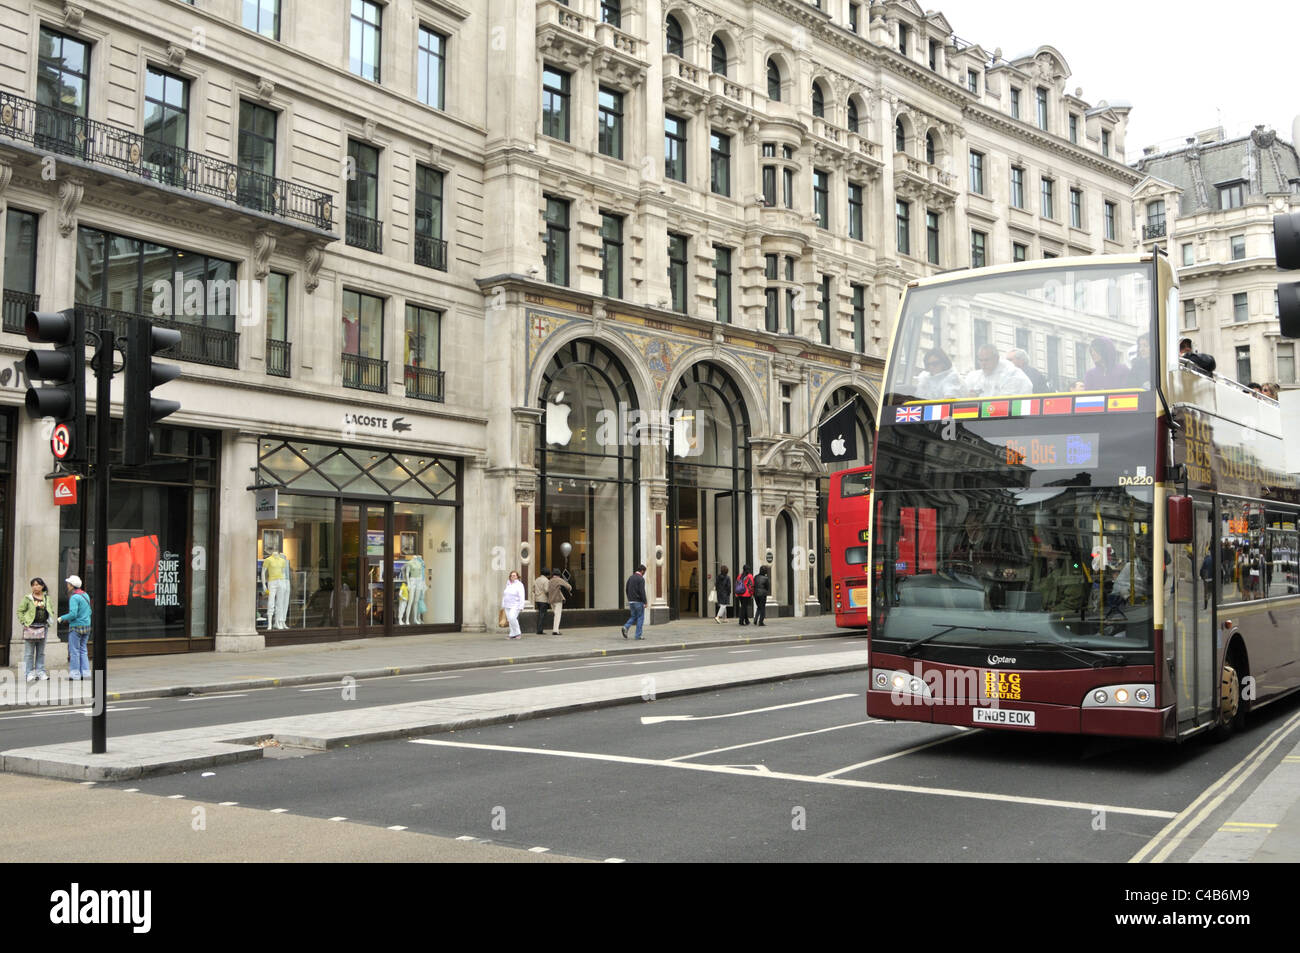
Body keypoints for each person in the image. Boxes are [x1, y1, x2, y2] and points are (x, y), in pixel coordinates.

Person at [964, 345, 1032, 397]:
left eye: (986, 360)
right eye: (981, 360)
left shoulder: (1011, 373)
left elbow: (1006, 401)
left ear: (996, 358)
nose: (983, 364)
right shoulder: (974, 376)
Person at [58, 574, 91, 681]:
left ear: (72, 586)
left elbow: (73, 614)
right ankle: (85, 673)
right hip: (86, 625)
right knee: (83, 650)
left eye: (68, 584)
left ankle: (75, 674)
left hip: (76, 627)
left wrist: (62, 618)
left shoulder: (74, 597)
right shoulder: (85, 595)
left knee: (74, 651)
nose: (67, 585)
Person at [18, 577, 51, 683]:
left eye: (37, 584)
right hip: (31, 627)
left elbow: (50, 609)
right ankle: (29, 673)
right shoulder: (28, 598)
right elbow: (20, 611)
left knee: (41, 652)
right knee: (29, 652)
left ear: (42, 586)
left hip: (43, 627)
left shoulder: (46, 598)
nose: (35, 587)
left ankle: (40, 672)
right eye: (33, 585)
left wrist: (49, 619)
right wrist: (24, 622)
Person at [621, 564, 647, 640]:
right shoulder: (641, 579)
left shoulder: (631, 577)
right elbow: (642, 591)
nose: (644, 573)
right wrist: (645, 601)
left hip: (631, 601)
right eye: (644, 572)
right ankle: (638, 635)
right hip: (638, 601)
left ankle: (625, 627)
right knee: (640, 617)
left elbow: (626, 588)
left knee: (633, 616)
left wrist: (629, 598)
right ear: (642, 571)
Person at [546, 566, 572, 635]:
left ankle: (555, 629)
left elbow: (547, 590)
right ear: (559, 574)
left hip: (551, 600)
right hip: (557, 600)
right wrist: (570, 589)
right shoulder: (558, 579)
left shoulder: (550, 580)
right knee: (557, 615)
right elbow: (568, 586)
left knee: (556, 615)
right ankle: (555, 630)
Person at [501, 570, 526, 640]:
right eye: (511, 575)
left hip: (515, 605)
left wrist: (521, 606)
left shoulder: (519, 585)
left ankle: (518, 633)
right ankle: (512, 634)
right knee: (510, 620)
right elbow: (505, 594)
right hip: (507, 605)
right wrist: (503, 604)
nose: (513, 577)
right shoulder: (508, 583)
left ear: (517, 576)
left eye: (514, 575)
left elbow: (522, 596)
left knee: (512, 618)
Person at [531, 568, 551, 635]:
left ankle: (539, 629)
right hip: (543, 600)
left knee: (540, 614)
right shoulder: (546, 580)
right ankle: (540, 630)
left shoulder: (537, 579)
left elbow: (533, 589)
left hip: (537, 599)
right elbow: (546, 590)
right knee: (542, 615)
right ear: (547, 574)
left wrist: (537, 593)